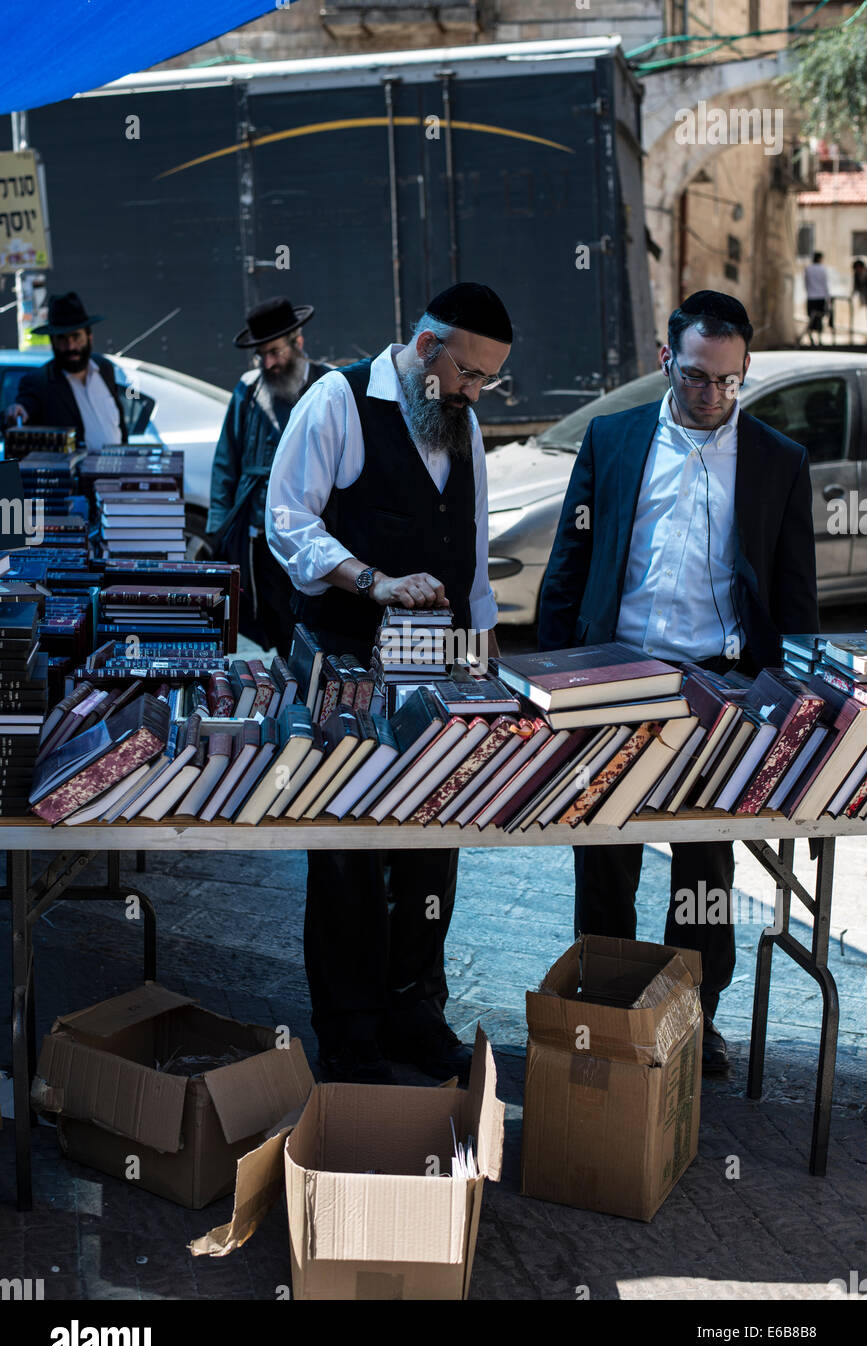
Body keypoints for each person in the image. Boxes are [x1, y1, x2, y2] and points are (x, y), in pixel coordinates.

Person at [538, 289, 818, 1074]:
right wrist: (557, 679)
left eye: (727, 381)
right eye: (697, 376)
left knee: (705, 864)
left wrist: (792, 695)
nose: (711, 395)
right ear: (666, 360)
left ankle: (694, 1013)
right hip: (614, 673)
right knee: (604, 852)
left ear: (744, 371)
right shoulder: (613, 441)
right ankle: (602, 1004)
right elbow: (568, 567)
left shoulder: (775, 459)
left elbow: (794, 591)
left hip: (721, 685)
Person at [265, 282, 510, 1084]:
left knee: (429, 850)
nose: (474, 393)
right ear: (429, 344)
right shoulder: (336, 400)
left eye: (486, 381)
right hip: (342, 666)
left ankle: (414, 1009)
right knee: (346, 852)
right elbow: (288, 522)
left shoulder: (462, 424)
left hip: (431, 677)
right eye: (469, 374)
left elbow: (469, 559)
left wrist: (485, 671)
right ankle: (349, 1031)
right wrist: (372, 579)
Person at [207, 297, 330, 651]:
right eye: (261, 355)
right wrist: (219, 527)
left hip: (314, 531)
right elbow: (225, 462)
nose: (269, 362)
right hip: (260, 533)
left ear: (298, 342)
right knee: (271, 616)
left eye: (275, 352)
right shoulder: (249, 389)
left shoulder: (328, 386)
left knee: (314, 618)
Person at [5, 291, 127, 448]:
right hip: (74, 471)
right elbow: (24, 408)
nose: (70, 347)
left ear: (89, 337)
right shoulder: (39, 382)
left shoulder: (104, 368)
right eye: (62, 339)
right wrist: (18, 411)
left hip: (115, 468)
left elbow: (119, 425)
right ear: (53, 342)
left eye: (76, 337)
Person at [804, 252, 831, 346]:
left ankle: (811, 337)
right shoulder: (822, 269)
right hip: (820, 297)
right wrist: (828, 297)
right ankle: (819, 339)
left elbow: (806, 283)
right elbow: (825, 284)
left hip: (811, 297)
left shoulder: (808, 269)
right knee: (819, 318)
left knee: (811, 319)